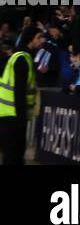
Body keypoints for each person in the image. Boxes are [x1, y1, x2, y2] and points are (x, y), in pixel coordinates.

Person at [0, 26, 44, 165]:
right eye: (39, 37)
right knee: (14, 155)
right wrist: (21, 118)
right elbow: (18, 92)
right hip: (14, 115)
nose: (41, 40)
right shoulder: (22, 59)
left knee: (14, 154)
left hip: (9, 114)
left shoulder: (21, 57)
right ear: (30, 40)